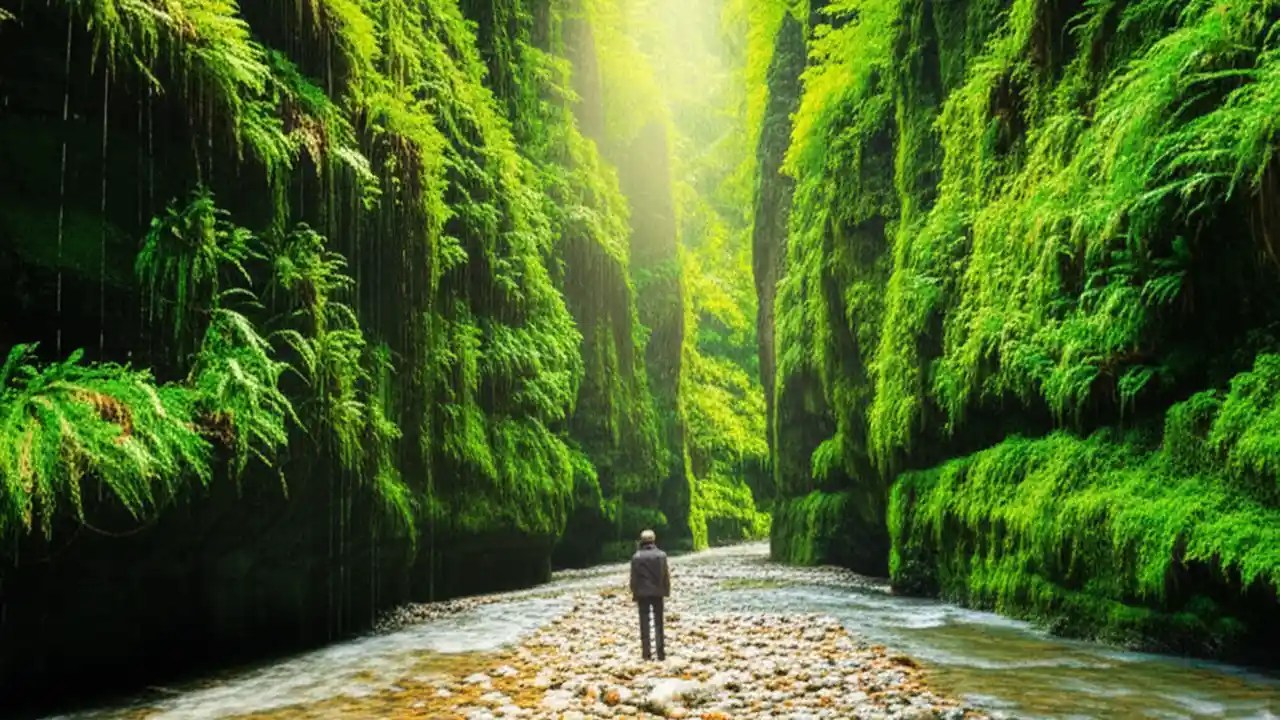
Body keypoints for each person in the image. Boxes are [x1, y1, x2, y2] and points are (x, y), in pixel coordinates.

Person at [629, 528, 670, 660]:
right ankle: (661, 653)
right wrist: (666, 590)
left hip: (642, 593)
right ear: (654, 540)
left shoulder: (636, 557)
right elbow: (665, 575)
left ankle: (646, 654)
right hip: (658, 592)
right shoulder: (662, 555)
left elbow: (633, 578)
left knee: (644, 624)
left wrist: (634, 592)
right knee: (659, 623)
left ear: (641, 541)